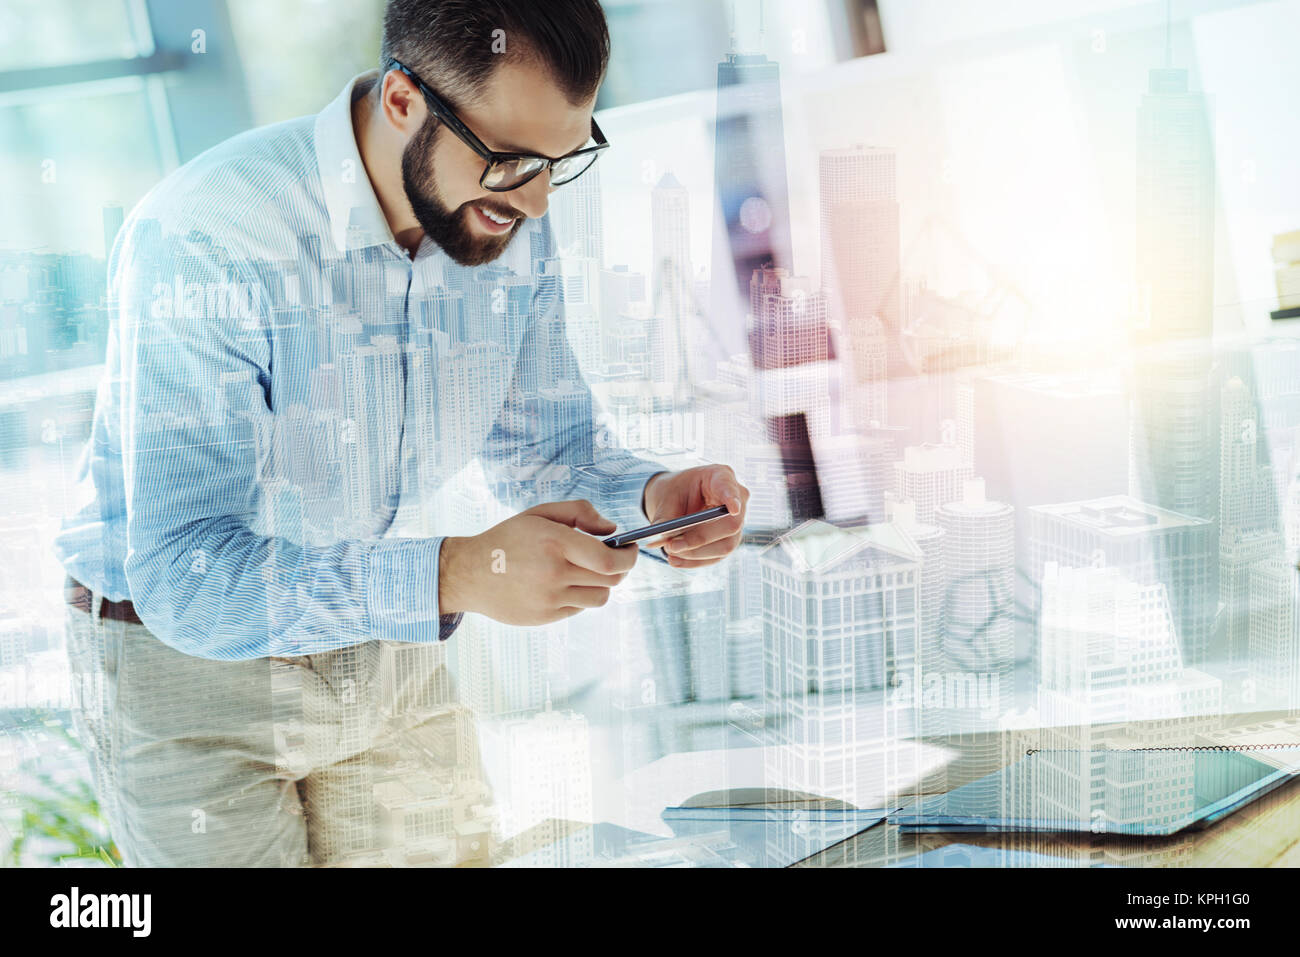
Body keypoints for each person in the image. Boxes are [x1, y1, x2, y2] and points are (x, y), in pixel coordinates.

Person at [52, 0, 749, 867]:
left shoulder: (505, 220)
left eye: (561, 163)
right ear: (400, 102)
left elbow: (546, 444)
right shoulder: (208, 236)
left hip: (378, 617)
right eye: (509, 160)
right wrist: (456, 571)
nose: (534, 201)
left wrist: (648, 496)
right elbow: (188, 575)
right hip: (182, 665)